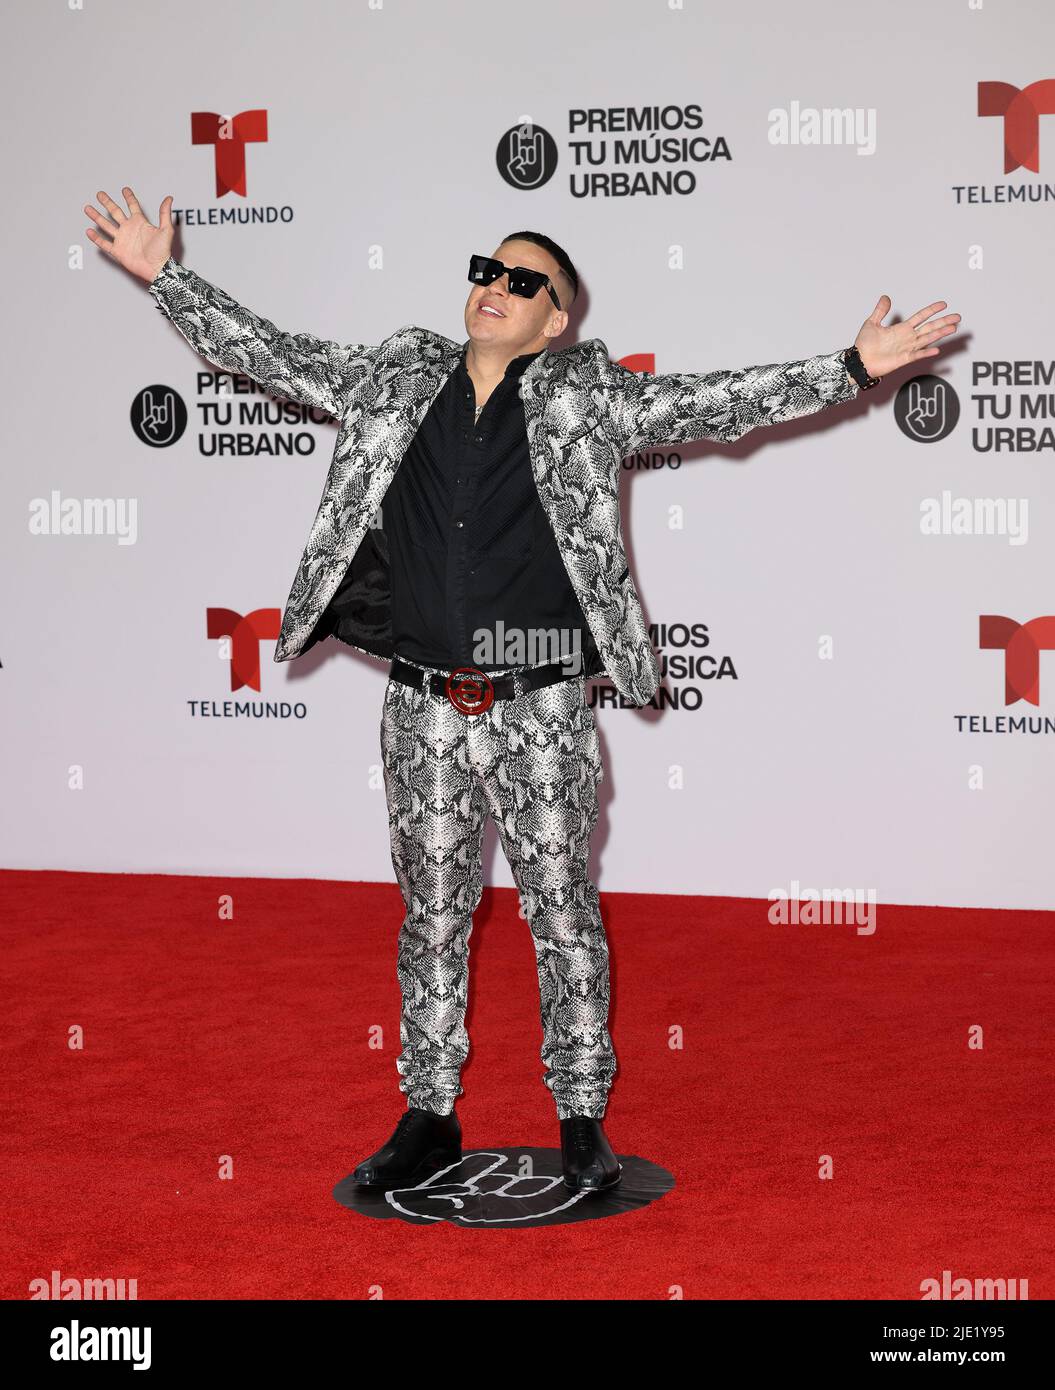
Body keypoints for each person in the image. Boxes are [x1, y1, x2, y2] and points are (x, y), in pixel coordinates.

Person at [84, 187, 960, 1193]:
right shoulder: (394, 375)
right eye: (485, 270)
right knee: (430, 915)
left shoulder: (585, 396)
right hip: (418, 703)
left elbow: (721, 402)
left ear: (557, 317)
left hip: (540, 702)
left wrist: (851, 367)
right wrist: (168, 277)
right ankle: (428, 1112)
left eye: (523, 280)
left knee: (560, 910)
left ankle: (582, 1118)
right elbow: (271, 354)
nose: (495, 288)